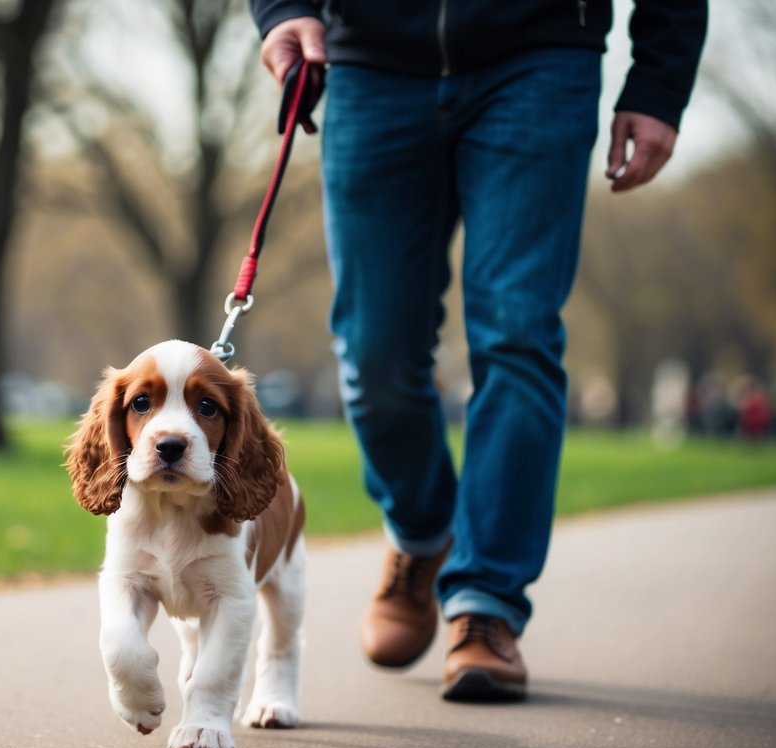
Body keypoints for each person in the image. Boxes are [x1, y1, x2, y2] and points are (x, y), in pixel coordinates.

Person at [248, 0, 708, 701]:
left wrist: (658, 82)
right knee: (373, 351)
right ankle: (422, 529)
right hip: (372, 60)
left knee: (517, 333)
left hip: (540, 56)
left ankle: (484, 606)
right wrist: (283, 9)